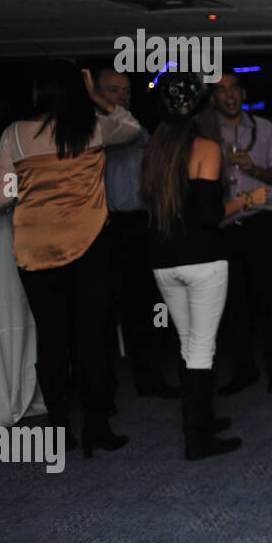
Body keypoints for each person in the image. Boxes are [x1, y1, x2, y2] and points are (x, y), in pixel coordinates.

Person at [0, 61, 141, 456]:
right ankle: (96, 428)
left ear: (39, 93)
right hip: (90, 246)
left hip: (36, 252)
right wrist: (97, 100)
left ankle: (58, 433)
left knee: (52, 340)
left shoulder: (15, 135)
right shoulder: (93, 127)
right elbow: (132, 127)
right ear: (78, 90)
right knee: (92, 338)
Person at [140, 71, 256, 460]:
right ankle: (197, 438)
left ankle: (201, 422)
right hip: (203, 260)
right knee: (202, 348)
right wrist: (242, 202)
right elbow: (208, 216)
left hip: (164, 262)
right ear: (202, 107)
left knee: (188, 343)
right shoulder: (206, 147)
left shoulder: (153, 149)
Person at [94, 67, 178, 407]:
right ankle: (103, 394)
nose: (122, 98)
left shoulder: (137, 129)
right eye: (113, 91)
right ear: (96, 94)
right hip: (105, 228)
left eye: (126, 92)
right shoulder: (91, 129)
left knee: (145, 306)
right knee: (100, 311)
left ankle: (150, 377)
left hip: (141, 225)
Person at [212, 71, 272, 394]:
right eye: (221, 91)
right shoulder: (205, 133)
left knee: (267, 300)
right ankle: (243, 370)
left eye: (233, 88)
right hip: (224, 228)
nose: (229, 95)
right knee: (234, 304)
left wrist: (252, 169)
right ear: (213, 97)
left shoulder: (264, 128)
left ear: (242, 93)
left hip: (259, 226)